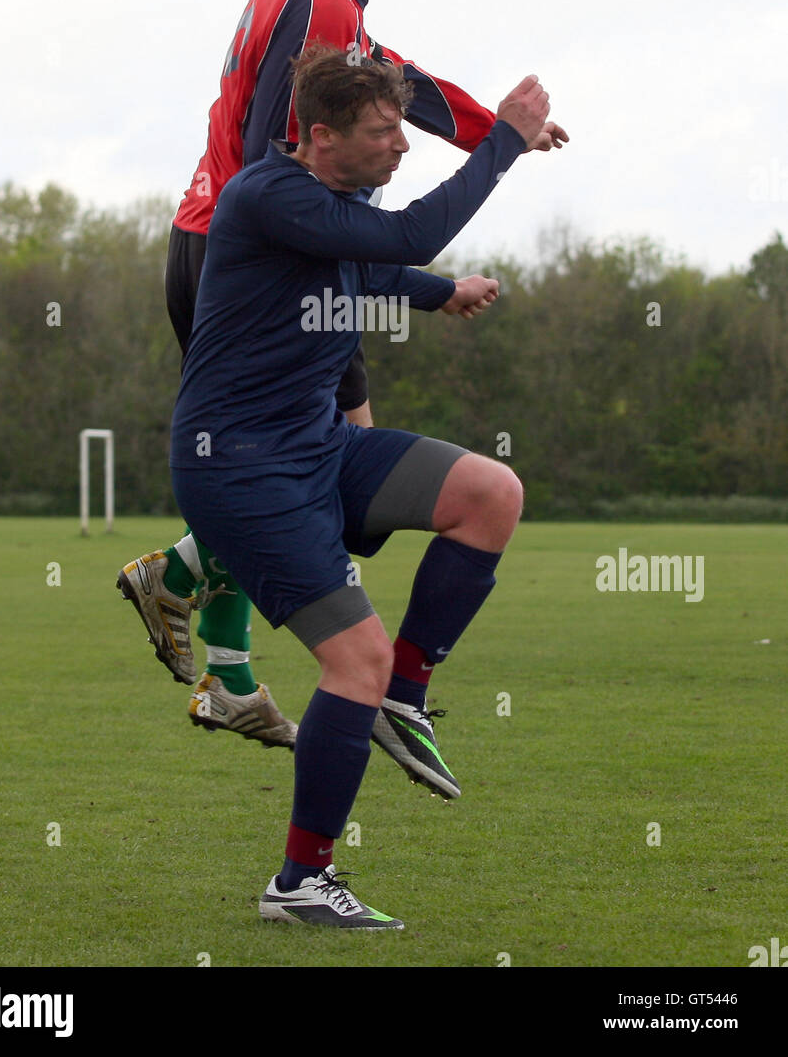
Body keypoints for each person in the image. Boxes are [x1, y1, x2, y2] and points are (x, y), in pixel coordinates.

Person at [117, 0, 567, 749]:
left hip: (247, 254)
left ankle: (230, 667)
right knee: (332, 469)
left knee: (311, 468)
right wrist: (496, 151)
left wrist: (491, 129)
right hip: (257, 265)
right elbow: (274, 165)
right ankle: (190, 580)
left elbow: (399, 83)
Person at [169, 48, 565, 927]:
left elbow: (376, 270)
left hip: (315, 445)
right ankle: (301, 881)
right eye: (385, 133)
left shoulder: (330, 205)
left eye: (401, 130)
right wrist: (501, 141)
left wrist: (440, 293)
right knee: (353, 657)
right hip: (241, 467)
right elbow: (402, 239)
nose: (401, 148)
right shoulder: (269, 195)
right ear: (319, 137)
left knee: (490, 493)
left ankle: (405, 695)